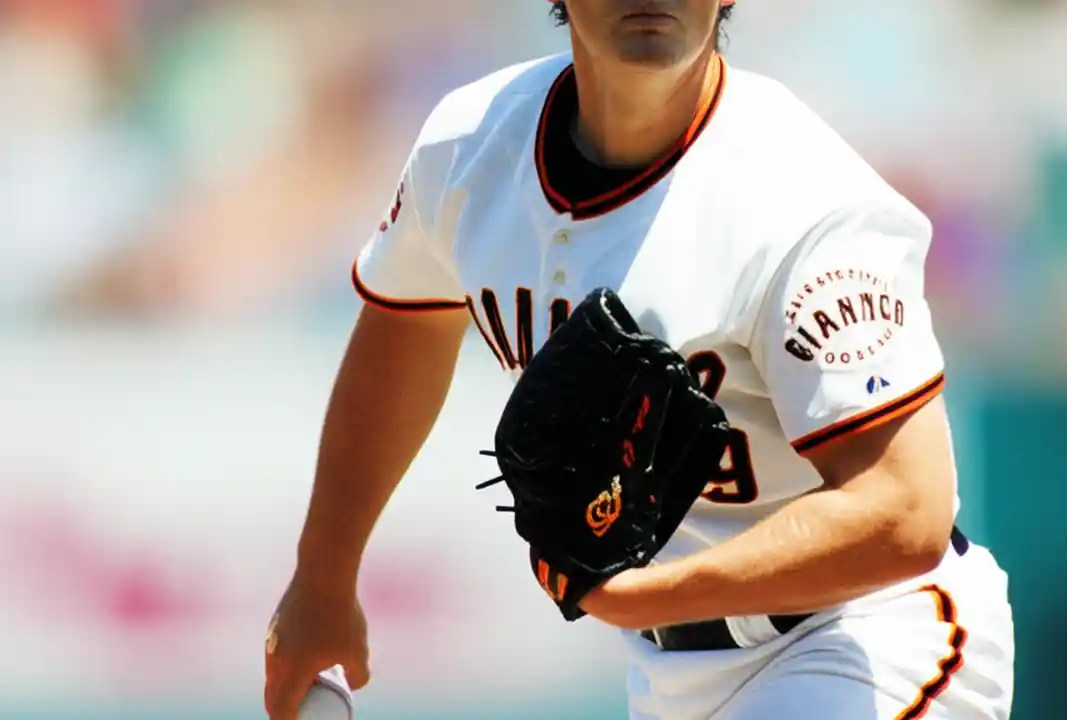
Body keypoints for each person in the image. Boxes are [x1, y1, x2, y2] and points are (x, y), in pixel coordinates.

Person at [262, 1, 1015, 718]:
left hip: (866, 638)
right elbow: (405, 328)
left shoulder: (803, 199)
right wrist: (324, 576)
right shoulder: (470, 147)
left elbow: (905, 511)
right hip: (670, 675)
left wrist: (639, 596)